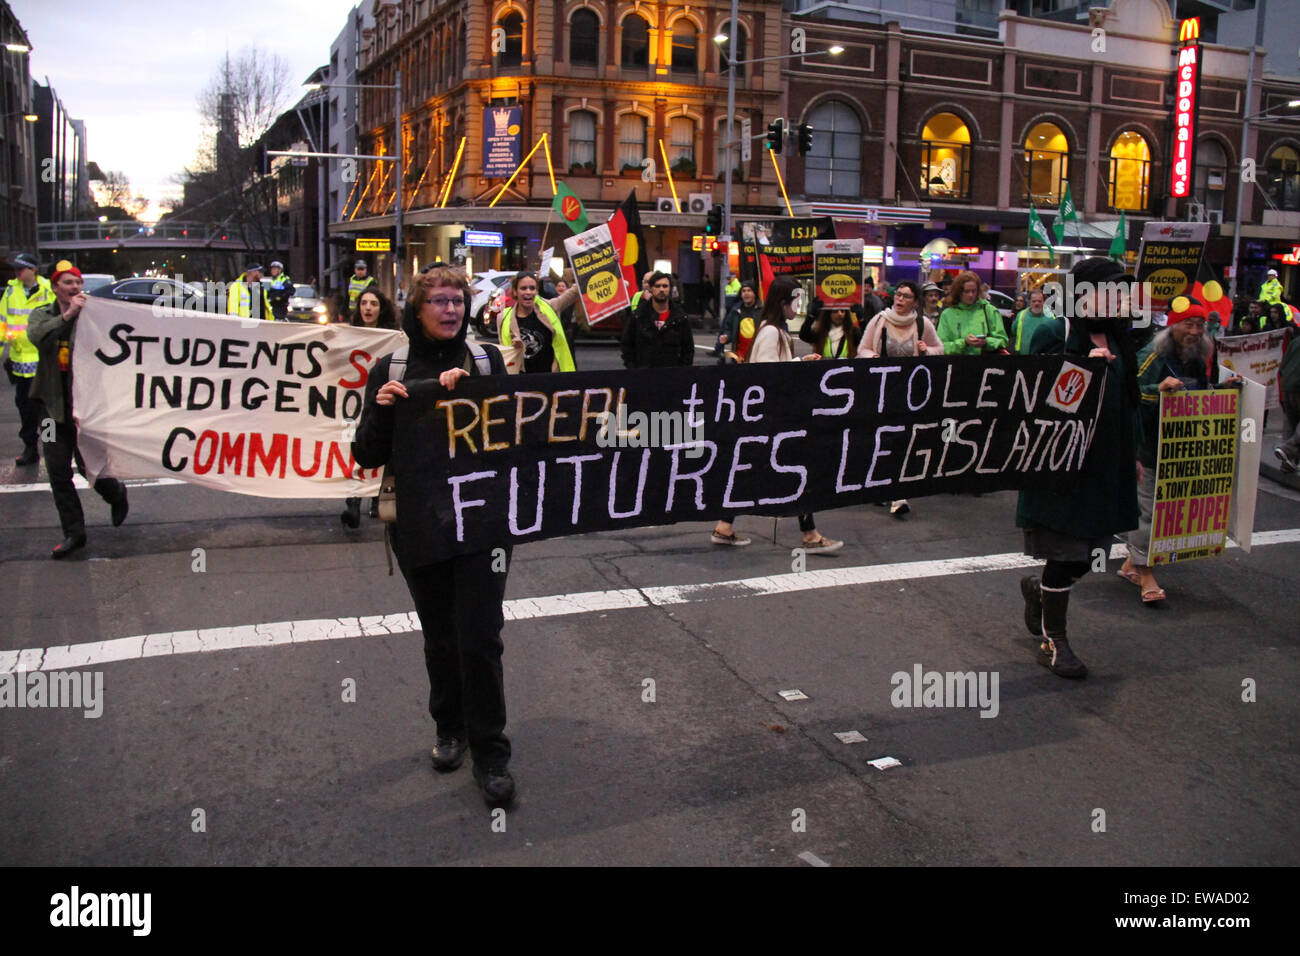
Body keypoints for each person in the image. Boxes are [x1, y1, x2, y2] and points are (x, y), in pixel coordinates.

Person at [350, 265, 517, 807]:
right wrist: (383, 410)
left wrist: (477, 396)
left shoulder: (487, 361)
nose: (451, 311)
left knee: (480, 637)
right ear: (416, 310)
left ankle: (491, 752)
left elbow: (519, 434)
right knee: (441, 636)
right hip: (421, 521)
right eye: (440, 302)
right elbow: (367, 455)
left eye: (458, 301)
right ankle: (450, 729)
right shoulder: (390, 367)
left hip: (484, 520)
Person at [1017, 257, 1141, 678]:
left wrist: (1135, 453)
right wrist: (1082, 366)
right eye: (1108, 289)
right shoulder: (1056, 331)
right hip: (1062, 463)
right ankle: (1055, 642)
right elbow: (1033, 395)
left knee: (1094, 551)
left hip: (1108, 462)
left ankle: (1040, 591)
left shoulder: (1121, 336)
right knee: (1064, 549)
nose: (1117, 297)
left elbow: (1129, 398)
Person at [711, 276, 843, 553]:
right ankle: (809, 535)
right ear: (783, 302)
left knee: (757, 472)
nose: (799, 306)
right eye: (796, 301)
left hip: (768, 416)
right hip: (771, 416)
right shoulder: (772, 331)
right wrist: (798, 364)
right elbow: (769, 375)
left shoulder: (774, 329)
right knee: (796, 471)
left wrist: (798, 362)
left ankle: (725, 526)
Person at [1120, 308, 1236, 604]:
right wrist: (1158, 389)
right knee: (1149, 510)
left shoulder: (1197, 359)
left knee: (1165, 508)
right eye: (1189, 324)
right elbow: (1128, 393)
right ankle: (1146, 574)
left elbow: (1200, 394)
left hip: (1178, 447)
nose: (1196, 332)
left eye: (1200, 326)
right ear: (1172, 326)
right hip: (1147, 445)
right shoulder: (1153, 354)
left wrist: (1222, 391)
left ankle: (1132, 563)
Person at [26, 261, 129, 558]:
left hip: (86, 406)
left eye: (77, 283)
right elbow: (36, 338)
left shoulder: (95, 314)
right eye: (68, 283)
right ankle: (74, 533)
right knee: (57, 473)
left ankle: (116, 494)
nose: (74, 288)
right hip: (49, 406)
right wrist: (67, 317)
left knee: (90, 467)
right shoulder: (42, 314)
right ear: (55, 287)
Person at [857, 280, 943, 518]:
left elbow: (940, 349)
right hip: (882, 391)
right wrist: (872, 356)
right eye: (898, 295)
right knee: (883, 440)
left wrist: (927, 349)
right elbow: (862, 349)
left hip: (909, 392)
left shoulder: (921, 323)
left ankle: (898, 494)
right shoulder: (880, 320)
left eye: (906, 296)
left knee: (902, 441)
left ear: (915, 301)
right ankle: (880, 486)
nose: (900, 299)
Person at [341, 288, 399, 528]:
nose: (367, 308)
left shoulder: (393, 337)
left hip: (378, 404)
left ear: (381, 307)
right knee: (353, 449)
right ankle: (353, 502)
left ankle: (376, 497)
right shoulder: (347, 335)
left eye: (373, 303)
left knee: (379, 446)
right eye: (363, 303)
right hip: (348, 406)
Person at [2, 252, 54, 465]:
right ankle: (30, 448)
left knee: (48, 409)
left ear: (33, 270)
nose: (16, 272)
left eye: (20, 269)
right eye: (15, 269)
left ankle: (52, 447)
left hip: (44, 361)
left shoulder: (48, 290)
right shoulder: (11, 291)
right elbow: (2, 324)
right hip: (20, 362)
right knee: (25, 408)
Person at [498, 270, 580, 373]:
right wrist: (514, 348)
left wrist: (592, 268)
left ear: (536, 290)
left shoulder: (550, 307)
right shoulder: (503, 317)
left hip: (548, 378)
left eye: (532, 288)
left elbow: (574, 292)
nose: (528, 292)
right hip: (519, 379)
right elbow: (503, 353)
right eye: (523, 288)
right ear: (515, 291)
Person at [620, 271, 695, 369]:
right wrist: (633, 368)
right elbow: (627, 345)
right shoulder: (638, 316)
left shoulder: (680, 318)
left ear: (670, 289)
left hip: (672, 376)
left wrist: (681, 371)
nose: (661, 289)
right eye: (657, 286)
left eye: (665, 286)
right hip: (644, 374)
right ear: (651, 289)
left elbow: (688, 349)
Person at [937, 270, 1008, 355]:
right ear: (958, 292)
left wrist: (986, 342)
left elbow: (1003, 341)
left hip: (986, 365)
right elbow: (941, 347)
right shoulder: (947, 314)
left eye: (973, 291)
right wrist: (964, 343)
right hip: (957, 365)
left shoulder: (990, 310)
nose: (971, 295)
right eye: (966, 291)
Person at [1275, 322, 1300, 473]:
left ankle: (1287, 462)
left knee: (1291, 423)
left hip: (1288, 385)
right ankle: (1288, 449)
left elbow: (1283, 364)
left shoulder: (1296, 341)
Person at [719, 281, 761, 364]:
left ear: (754, 293)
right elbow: (729, 328)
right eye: (744, 291)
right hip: (738, 357)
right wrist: (726, 336)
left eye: (749, 290)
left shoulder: (761, 311)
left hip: (757, 355)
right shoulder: (735, 311)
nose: (746, 293)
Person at [1010, 287, 1056, 354]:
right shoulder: (1021, 315)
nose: (1036, 303)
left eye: (1039, 301)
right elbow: (1013, 331)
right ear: (1030, 302)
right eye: (1034, 301)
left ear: (1044, 302)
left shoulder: (1051, 317)